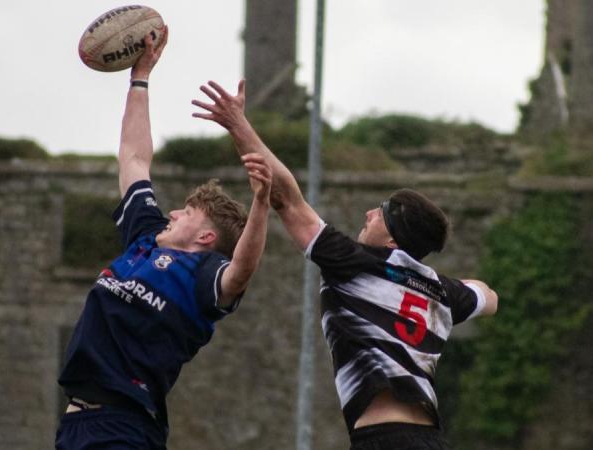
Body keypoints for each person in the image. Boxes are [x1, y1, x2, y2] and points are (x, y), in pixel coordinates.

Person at [192, 80, 498, 450]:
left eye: (381, 213)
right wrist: (441, 286)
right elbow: (488, 296)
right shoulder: (442, 292)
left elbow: (286, 199)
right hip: (431, 441)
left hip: (382, 440)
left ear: (393, 241)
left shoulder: (355, 263)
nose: (368, 213)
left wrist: (238, 124)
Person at [56, 30, 273, 450]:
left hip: (124, 427)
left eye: (187, 213)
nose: (173, 213)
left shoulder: (202, 278)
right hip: (76, 426)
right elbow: (134, 157)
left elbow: (242, 271)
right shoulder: (145, 239)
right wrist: (140, 77)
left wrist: (261, 204)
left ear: (206, 236)